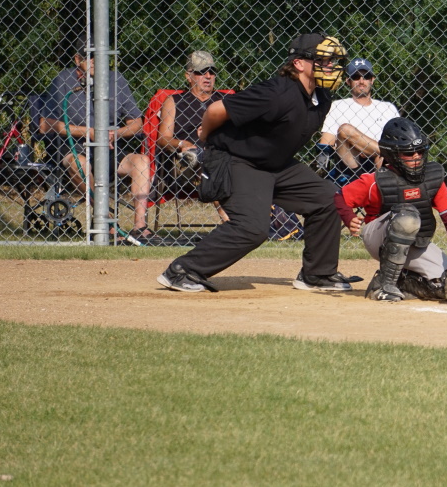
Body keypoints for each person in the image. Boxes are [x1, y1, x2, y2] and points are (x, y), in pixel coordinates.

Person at [157, 32, 359, 292]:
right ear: (299, 63)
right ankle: (182, 270)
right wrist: (206, 139)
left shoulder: (321, 97)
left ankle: (317, 274)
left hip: (275, 164)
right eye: (323, 59)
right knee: (253, 228)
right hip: (239, 160)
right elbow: (216, 110)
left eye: (333, 60)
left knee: (328, 198)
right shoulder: (277, 92)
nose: (331, 65)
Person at [335, 117, 447, 302]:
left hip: (415, 243)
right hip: (377, 238)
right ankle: (384, 285)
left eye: (420, 151)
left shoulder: (431, 178)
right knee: (406, 218)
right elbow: (339, 197)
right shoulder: (375, 181)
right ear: (392, 154)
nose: (416, 156)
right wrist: (348, 217)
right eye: (409, 153)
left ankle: (405, 283)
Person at [38, 37, 153, 239]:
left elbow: (137, 123)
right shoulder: (63, 81)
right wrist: (89, 132)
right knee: (79, 164)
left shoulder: (115, 80)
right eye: (88, 57)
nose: (93, 61)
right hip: (73, 149)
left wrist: (115, 133)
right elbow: (45, 124)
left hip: (108, 150)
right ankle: (106, 219)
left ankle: (140, 226)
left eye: (98, 57)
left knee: (141, 161)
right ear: (77, 60)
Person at [317, 57, 400, 184]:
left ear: (372, 80)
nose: (361, 81)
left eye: (366, 76)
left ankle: (379, 184)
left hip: (381, 162)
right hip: (351, 163)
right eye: (356, 77)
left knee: (384, 153)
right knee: (345, 130)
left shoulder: (388, 108)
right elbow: (326, 143)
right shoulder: (338, 106)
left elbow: (398, 141)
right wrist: (357, 145)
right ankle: (364, 175)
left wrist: (369, 149)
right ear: (348, 81)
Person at [155, 50, 228, 182]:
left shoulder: (225, 100)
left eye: (212, 72)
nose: (208, 76)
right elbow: (163, 139)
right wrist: (182, 144)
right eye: (201, 71)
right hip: (187, 158)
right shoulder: (174, 101)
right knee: (200, 157)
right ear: (188, 76)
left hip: (222, 153)